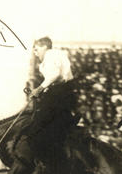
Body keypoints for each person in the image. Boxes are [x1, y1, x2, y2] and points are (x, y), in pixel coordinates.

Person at [18, 36, 80, 166]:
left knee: (37, 125)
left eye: (37, 49)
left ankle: (46, 160)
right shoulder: (55, 55)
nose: (35, 52)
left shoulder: (50, 55)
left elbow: (54, 75)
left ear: (45, 47)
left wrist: (39, 89)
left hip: (60, 93)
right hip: (64, 93)